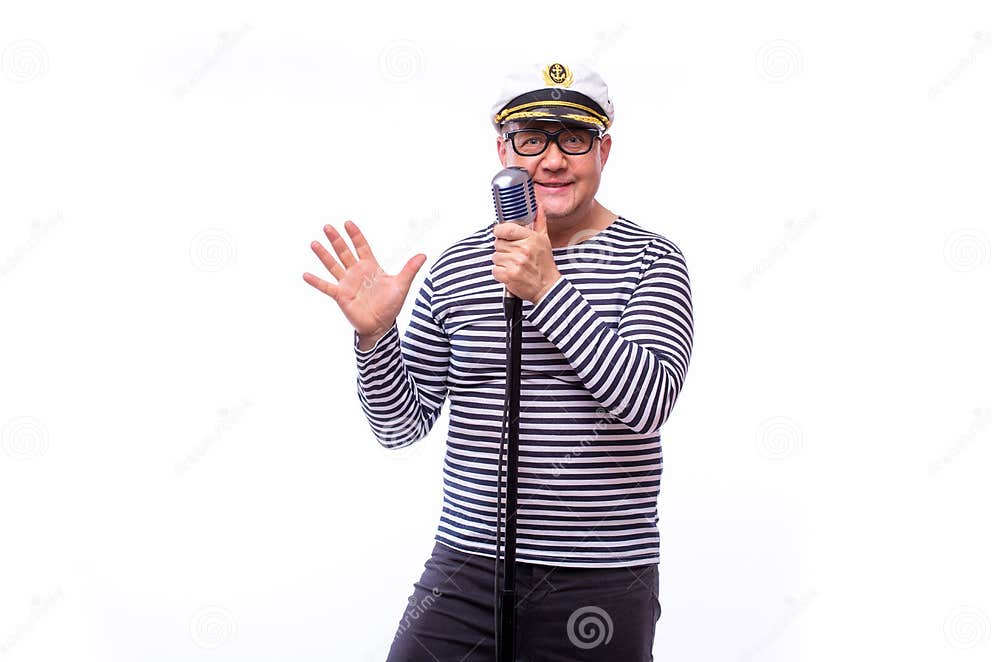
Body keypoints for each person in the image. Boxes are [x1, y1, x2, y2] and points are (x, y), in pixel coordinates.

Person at [303, 61, 694, 661]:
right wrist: (378, 337)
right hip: (466, 573)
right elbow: (400, 427)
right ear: (502, 151)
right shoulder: (458, 267)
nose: (553, 160)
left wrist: (547, 289)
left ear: (604, 150)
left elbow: (647, 403)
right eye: (531, 139)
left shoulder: (653, 261)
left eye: (575, 138)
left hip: (601, 580)